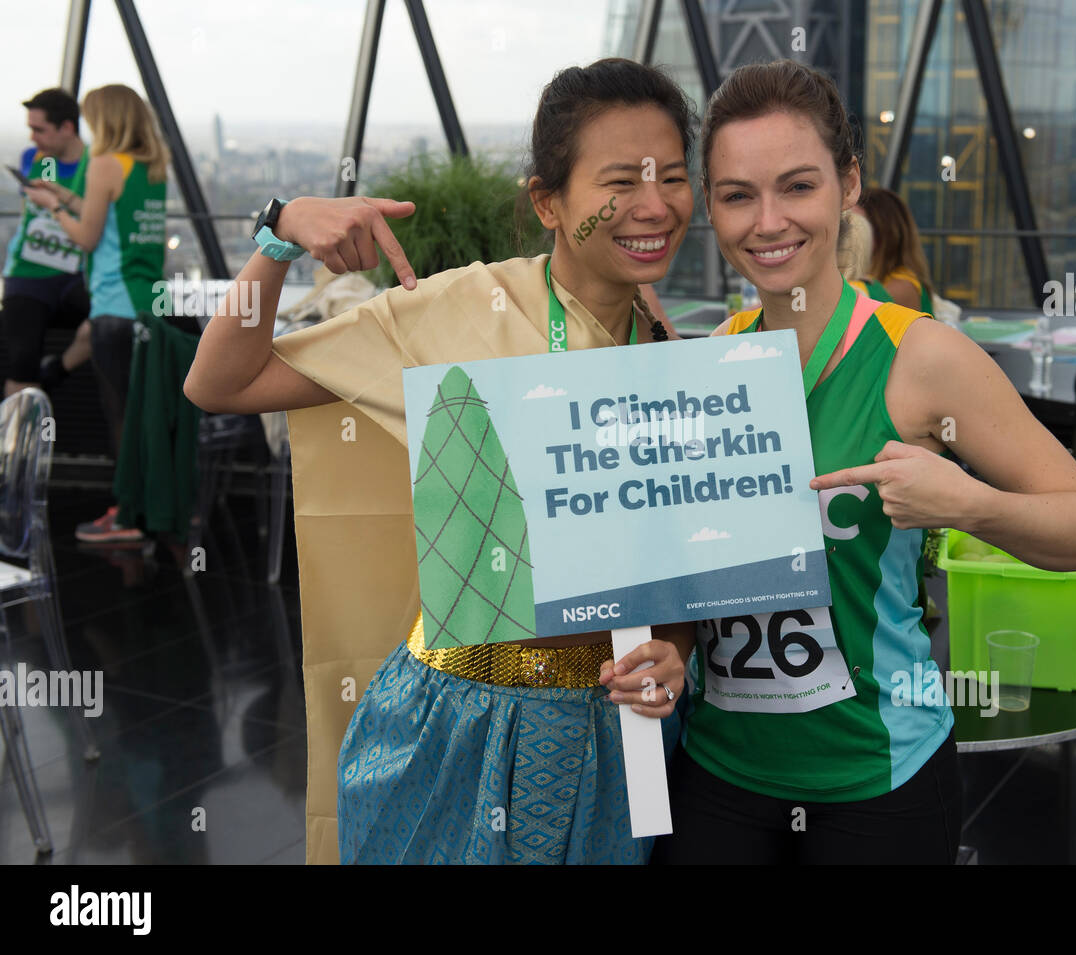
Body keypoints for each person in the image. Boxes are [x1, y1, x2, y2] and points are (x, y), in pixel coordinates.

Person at [184, 58, 697, 864]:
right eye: (620, 183)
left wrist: (677, 653)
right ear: (548, 202)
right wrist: (276, 237)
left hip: (613, 740)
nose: (655, 205)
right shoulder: (455, 310)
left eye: (672, 177)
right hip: (456, 726)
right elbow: (220, 379)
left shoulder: (667, 351)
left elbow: (672, 574)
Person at [652, 59, 1076, 865]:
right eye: (737, 195)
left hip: (879, 785)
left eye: (797, 187)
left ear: (848, 186)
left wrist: (968, 503)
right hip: (718, 772)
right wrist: (674, 646)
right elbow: (704, 577)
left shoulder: (922, 357)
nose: (768, 222)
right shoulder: (708, 363)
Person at [23, 84, 170, 544]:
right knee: (143, 415)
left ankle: (127, 516)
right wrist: (64, 197)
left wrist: (51, 205)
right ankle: (151, 510)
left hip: (112, 310)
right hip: (148, 304)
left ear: (105, 120)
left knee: (120, 418)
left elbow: (87, 239)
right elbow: (109, 222)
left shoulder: (104, 164)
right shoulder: (151, 167)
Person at [2, 88, 92, 398]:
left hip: (77, 273)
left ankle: (57, 369)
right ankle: (14, 439)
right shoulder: (33, 159)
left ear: (66, 128)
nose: (32, 138)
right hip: (29, 273)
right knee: (21, 359)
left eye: (39, 129)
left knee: (111, 324)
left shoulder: (96, 166)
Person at [856, 185, 937, 314]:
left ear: (882, 234)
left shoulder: (901, 287)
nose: (844, 232)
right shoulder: (882, 281)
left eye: (856, 225)